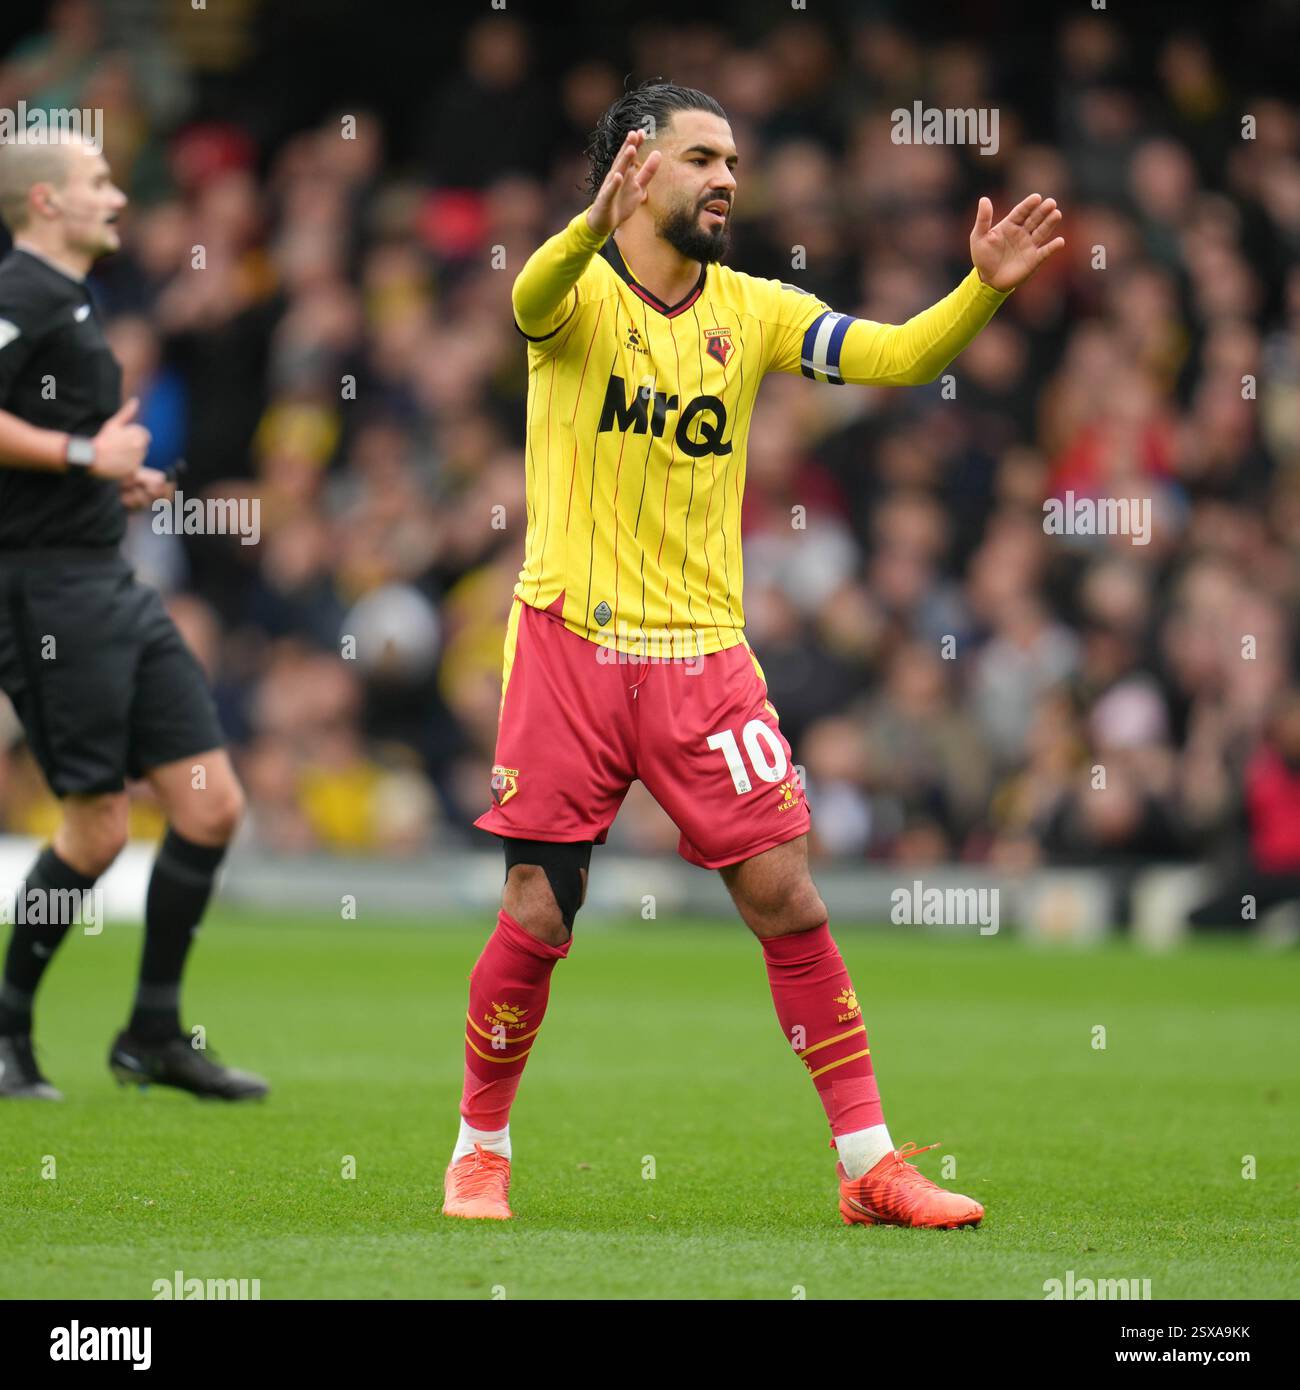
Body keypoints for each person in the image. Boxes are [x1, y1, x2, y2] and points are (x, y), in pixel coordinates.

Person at [444, 82, 1063, 1226]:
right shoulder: (575, 293)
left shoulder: (754, 307)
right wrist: (585, 224)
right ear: (634, 170)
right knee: (537, 911)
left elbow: (890, 354)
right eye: (701, 157)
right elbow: (527, 295)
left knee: (787, 896)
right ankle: (480, 1151)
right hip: (568, 647)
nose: (728, 176)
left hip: (701, 657)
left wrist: (980, 290)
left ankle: (869, 1165)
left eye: (732, 159)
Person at [0, 133, 265, 1101]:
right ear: (43, 203)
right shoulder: (20, 293)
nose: (119, 195)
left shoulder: (74, 298)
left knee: (211, 803)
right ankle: (7, 1032)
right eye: (99, 182)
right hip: (45, 590)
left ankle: (152, 1030)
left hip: (102, 575)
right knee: (99, 827)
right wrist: (82, 462)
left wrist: (109, 481)